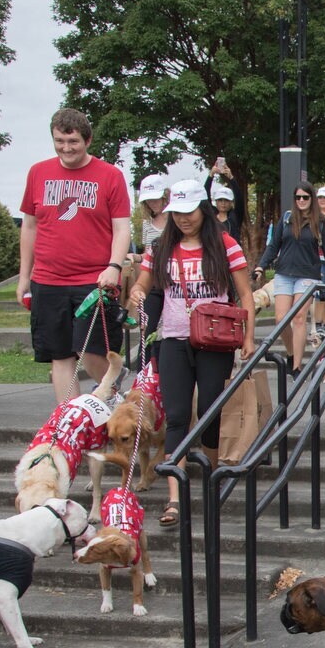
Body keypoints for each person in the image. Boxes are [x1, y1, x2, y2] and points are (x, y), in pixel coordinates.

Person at [127, 180, 255, 526]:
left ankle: (211, 479)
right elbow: (143, 282)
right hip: (173, 338)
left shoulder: (225, 244)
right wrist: (138, 292)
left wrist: (249, 338)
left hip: (215, 338)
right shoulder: (162, 246)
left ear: (204, 209)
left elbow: (245, 294)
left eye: (189, 212)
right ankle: (174, 498)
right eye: (176, 213)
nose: (183, 219)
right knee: (178, 415)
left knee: (212, 410)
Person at [18, 108, 133, 405]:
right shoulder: (38, 173)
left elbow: (122, 229)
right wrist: (24, 277)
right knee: (60, 355)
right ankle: (70, 421)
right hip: (47, 279)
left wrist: (114, 266)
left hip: (93, 280)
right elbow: (29, 227)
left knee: (93, 351)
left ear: (88, 140)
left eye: (73, 142)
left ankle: (119, 404)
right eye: (59, 141)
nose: (66, 148)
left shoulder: (110, 176)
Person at [255, 184, 325, 375]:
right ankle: (291, 353)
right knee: (281, 319)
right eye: (298, 197)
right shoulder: (287, 218)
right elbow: (273, 246)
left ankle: (297, 366)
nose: (301, 201)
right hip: (284, 272)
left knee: (299, 318)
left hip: (307, 274)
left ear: (311, 199)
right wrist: (261, 266)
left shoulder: (321, 222)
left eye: (305, 197)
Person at [135, 174, 169, 254]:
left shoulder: (175, 220)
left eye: (155, 199)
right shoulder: (147, 223)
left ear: (164, 196)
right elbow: (147, 254)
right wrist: (136, 257)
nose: (152, 203)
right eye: (148, 200)